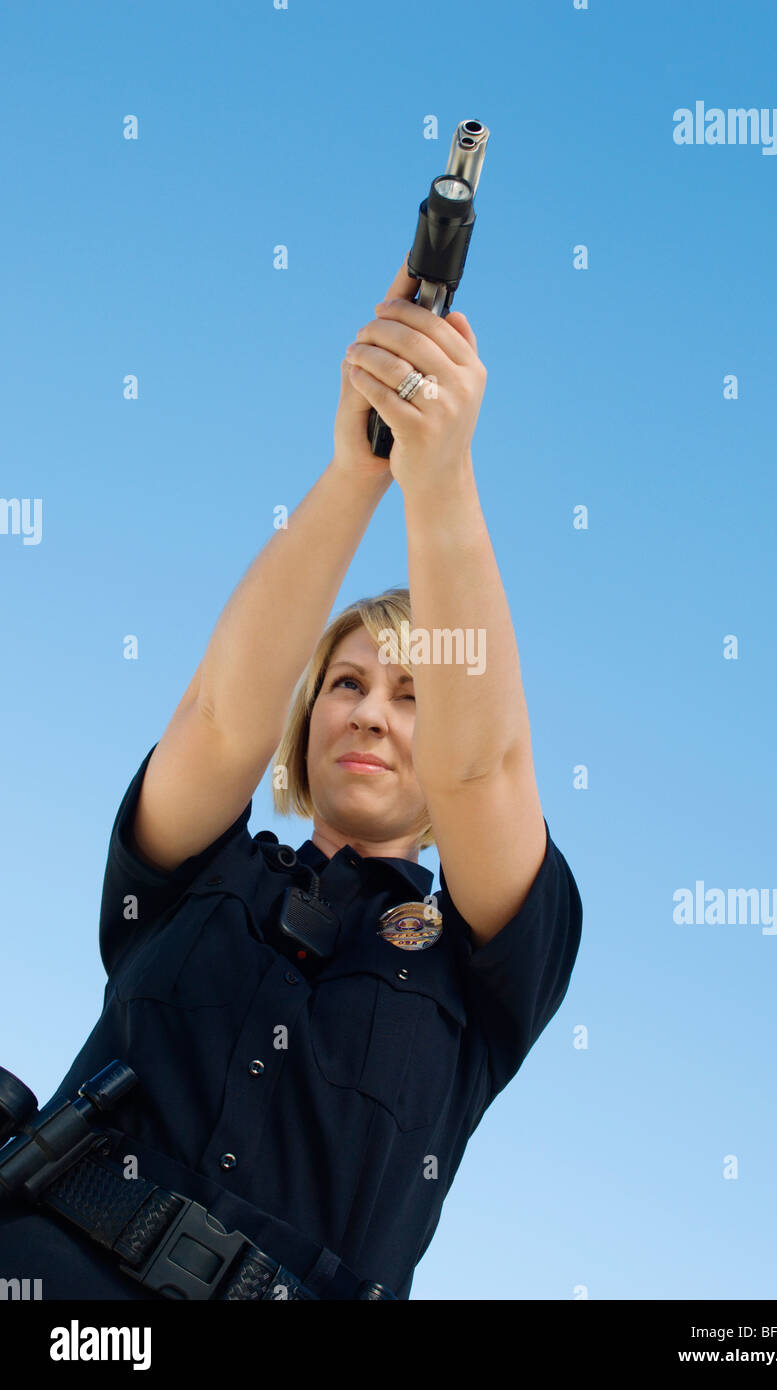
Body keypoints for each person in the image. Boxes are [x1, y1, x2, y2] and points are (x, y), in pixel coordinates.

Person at [0, 257, 583, 1300]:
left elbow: (483, 764)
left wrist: (438, 473)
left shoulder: (484, 966)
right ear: (307, 712)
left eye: (413, 692)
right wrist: (359, 468)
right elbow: (223, 715)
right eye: (347, 681)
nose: (368, 710)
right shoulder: (191, 873)